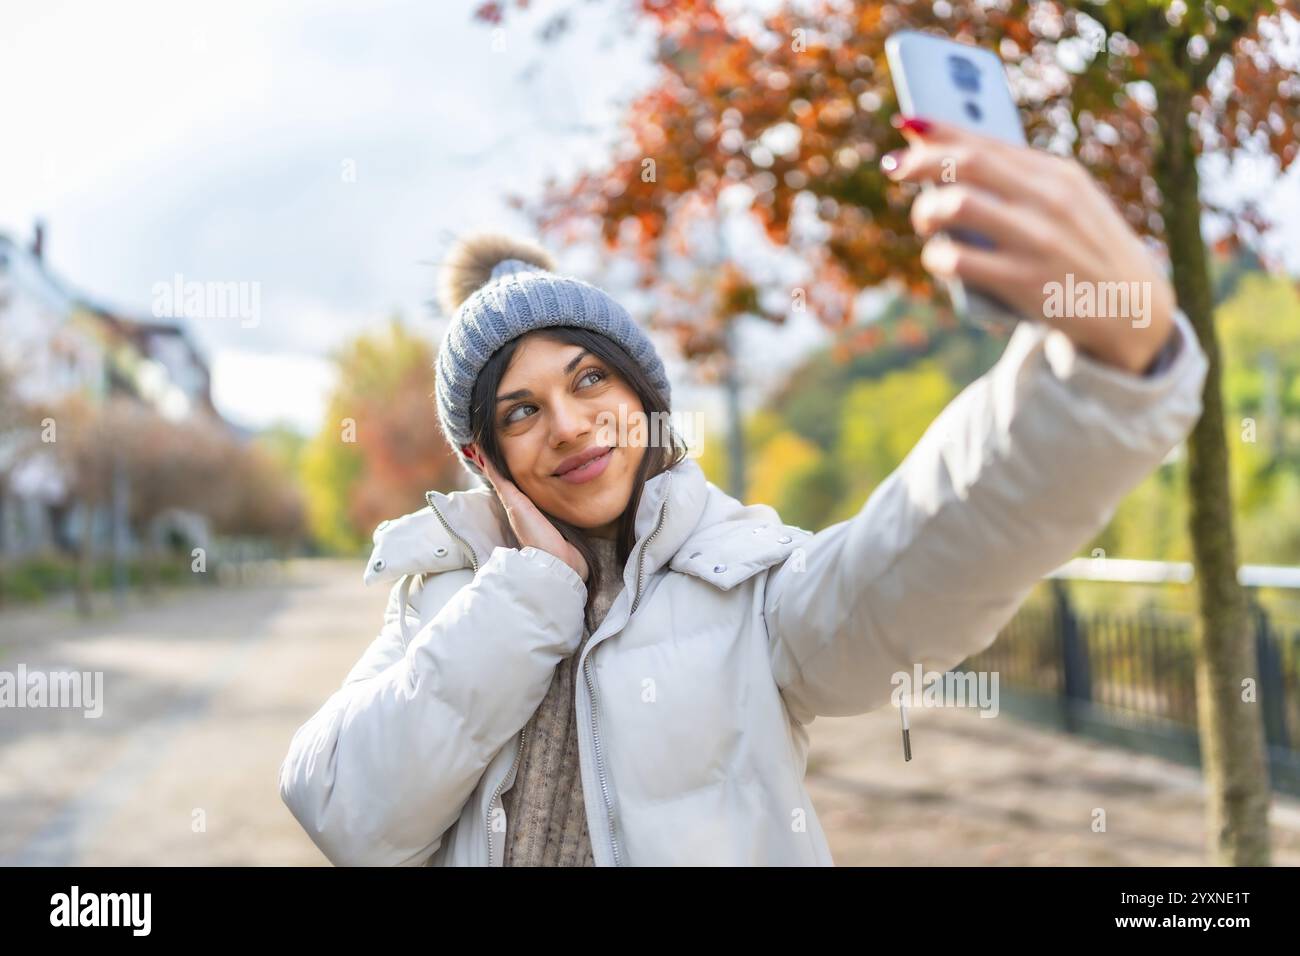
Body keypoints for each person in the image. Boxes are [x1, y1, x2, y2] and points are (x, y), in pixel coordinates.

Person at [278, 116, 1209, 866]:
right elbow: (347, 813)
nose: (567, 423)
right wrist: (529, 594)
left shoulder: (751, 585)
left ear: (645, 398)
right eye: (521, 412)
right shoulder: (447, 597)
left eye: (591, 380)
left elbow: (917, 556)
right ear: (486, 459)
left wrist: (1100, 379)